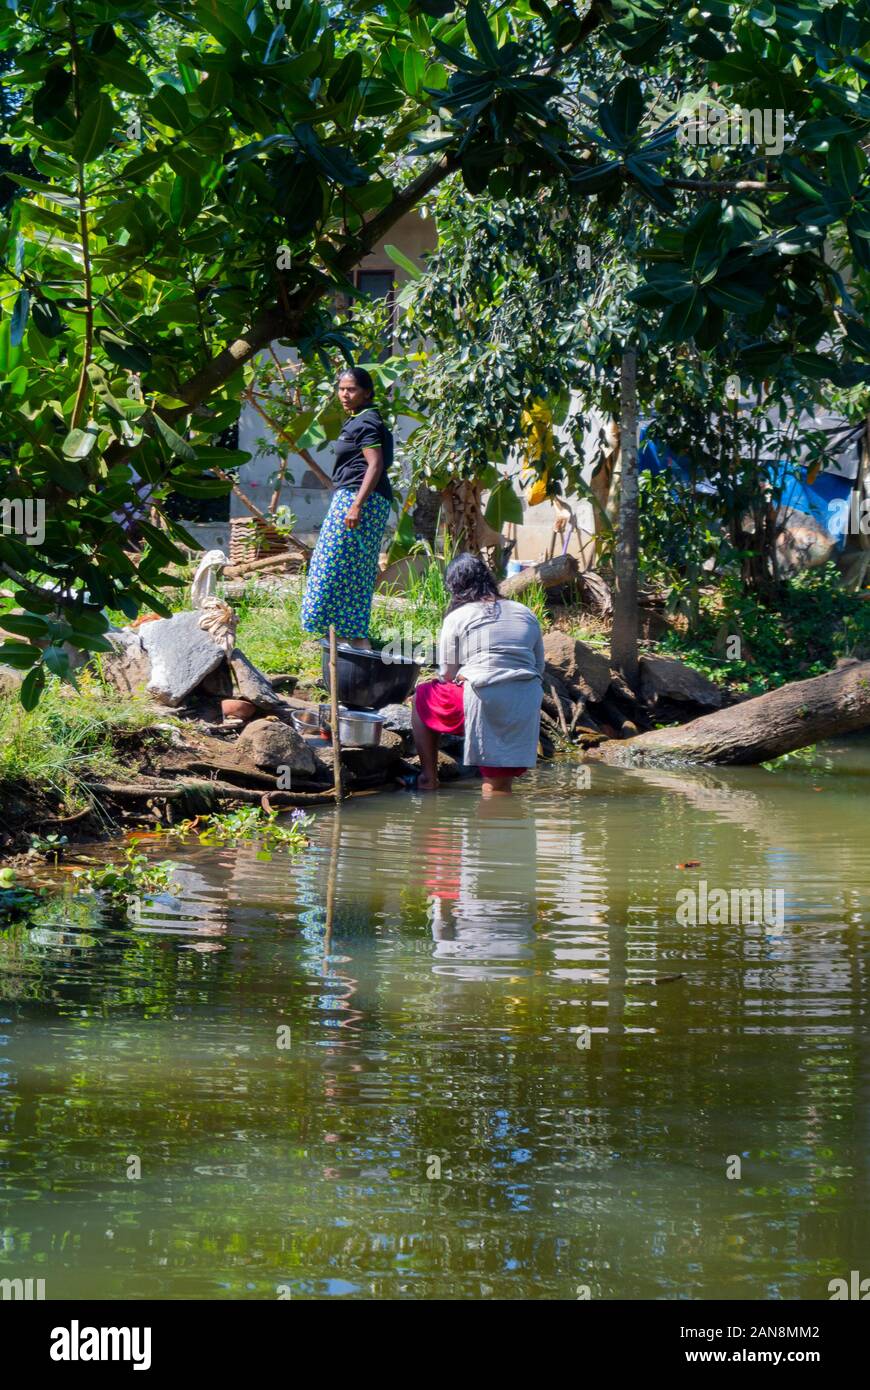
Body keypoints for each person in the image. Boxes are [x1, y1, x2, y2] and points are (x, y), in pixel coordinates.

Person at [412, 552, 545, 796]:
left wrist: (466, 673)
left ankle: (428, 778)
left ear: (455, 587)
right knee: (499, 786)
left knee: (422, 695)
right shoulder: (525, 612)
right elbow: (538, 667)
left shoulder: (458, 616)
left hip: (483, 697)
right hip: (525, 702)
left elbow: (447, 674)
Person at [300, 367, 393, 650]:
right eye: (341, 389)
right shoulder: (360, 420)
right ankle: (350, 637)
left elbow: (375, 465)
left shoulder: (365, 423)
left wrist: (355, 505)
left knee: (333, 565)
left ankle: (344, 635)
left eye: (351, 389)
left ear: (367, 392)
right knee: (351, 568)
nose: (344, 394)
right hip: (362, 498)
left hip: (360, 499)